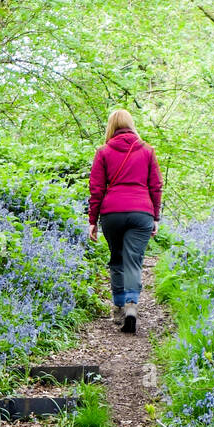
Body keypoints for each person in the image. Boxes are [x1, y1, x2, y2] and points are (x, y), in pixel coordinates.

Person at [87, 109, 162, 334]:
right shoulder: (147, 151)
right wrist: (155, 216)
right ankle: (131, 305)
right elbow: (156, 186)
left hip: (112, 213)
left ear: (111, 126)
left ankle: (119, 307)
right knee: (134, 260)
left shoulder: (103, 152)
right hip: (141, 212)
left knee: (117, 258)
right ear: (131, 124)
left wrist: (93, 220)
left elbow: (96, 188)